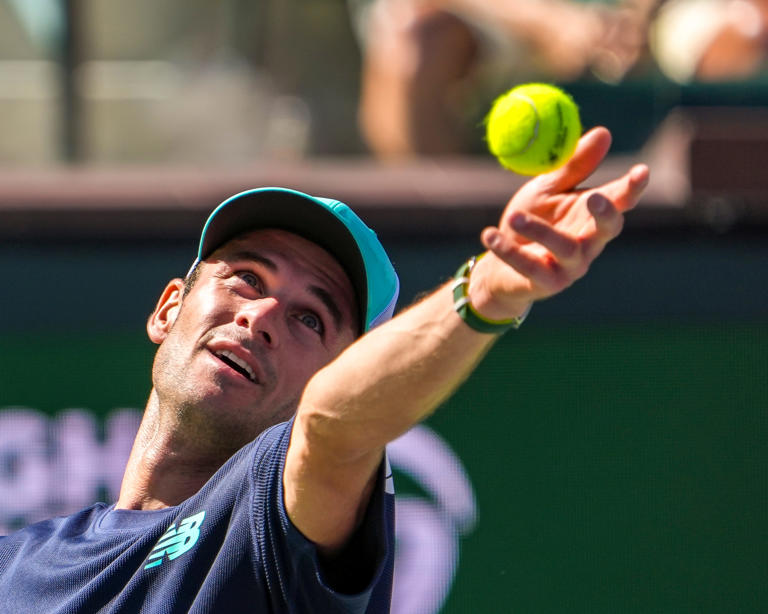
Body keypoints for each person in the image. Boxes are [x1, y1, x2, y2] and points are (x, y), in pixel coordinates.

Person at [0, 126, 648, 613]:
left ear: (337, 372)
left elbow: (331, 428)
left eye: (311, 319)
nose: (262, 317)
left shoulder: (268, 519)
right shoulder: (17, 564)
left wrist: (482, 295)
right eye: (247, 278)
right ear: (169, 309)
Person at [348, 0, 658, 157]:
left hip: (644, 24)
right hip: (505, 24)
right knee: (417, 40)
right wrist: (549, 24)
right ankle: (443, 235)